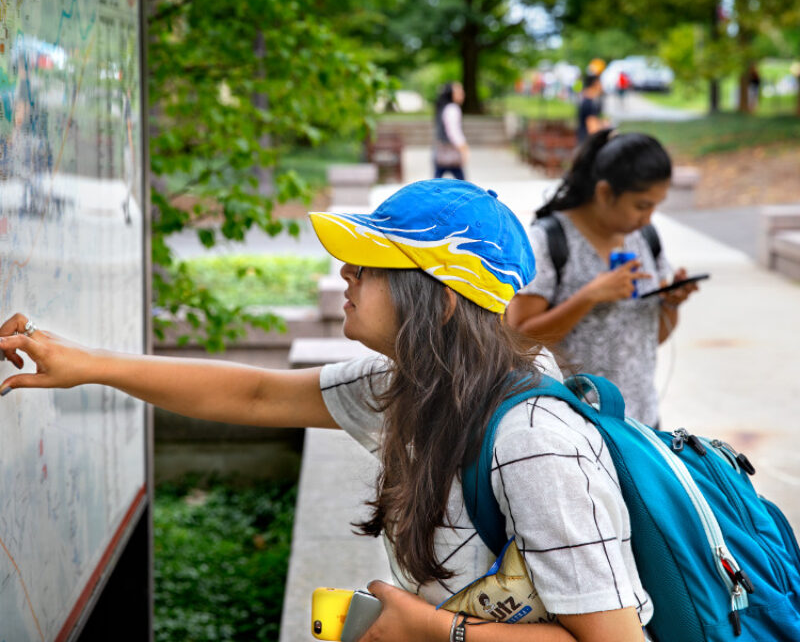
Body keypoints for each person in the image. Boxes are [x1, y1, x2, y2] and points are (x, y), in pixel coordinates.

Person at [0, 179, 654, 641]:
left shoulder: (534, 442)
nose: (344, 271)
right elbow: (255, 395)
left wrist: (434, 632)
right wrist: (86, 366)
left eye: (367, 263)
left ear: (443, 299)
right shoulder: (415, 385)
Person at [506, 130, 699, 428]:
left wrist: (671, 304)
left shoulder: (645, 239)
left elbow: (652, 338)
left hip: (642, 425)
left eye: (654, 206)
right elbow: (520, 340)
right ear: (605, 193)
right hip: (572, 428)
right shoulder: (549, 241)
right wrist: (588, 297)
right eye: (641, 205)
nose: (648, 218)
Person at [433, 81, 469, 180]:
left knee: (437, 181)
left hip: (441, 151)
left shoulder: (443, 107)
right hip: (450, 152)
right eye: (459, 92)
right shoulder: (452, 108)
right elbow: (453, 131)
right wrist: (463, 147)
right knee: (462, 184)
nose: (462, 94)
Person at [575, 73, 608, 145]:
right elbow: (593, 129)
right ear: (596, 84)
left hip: (584, 141)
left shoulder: (586, 100)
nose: (602, 86)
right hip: (588, 144)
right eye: (601, 83)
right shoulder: (589, 103)